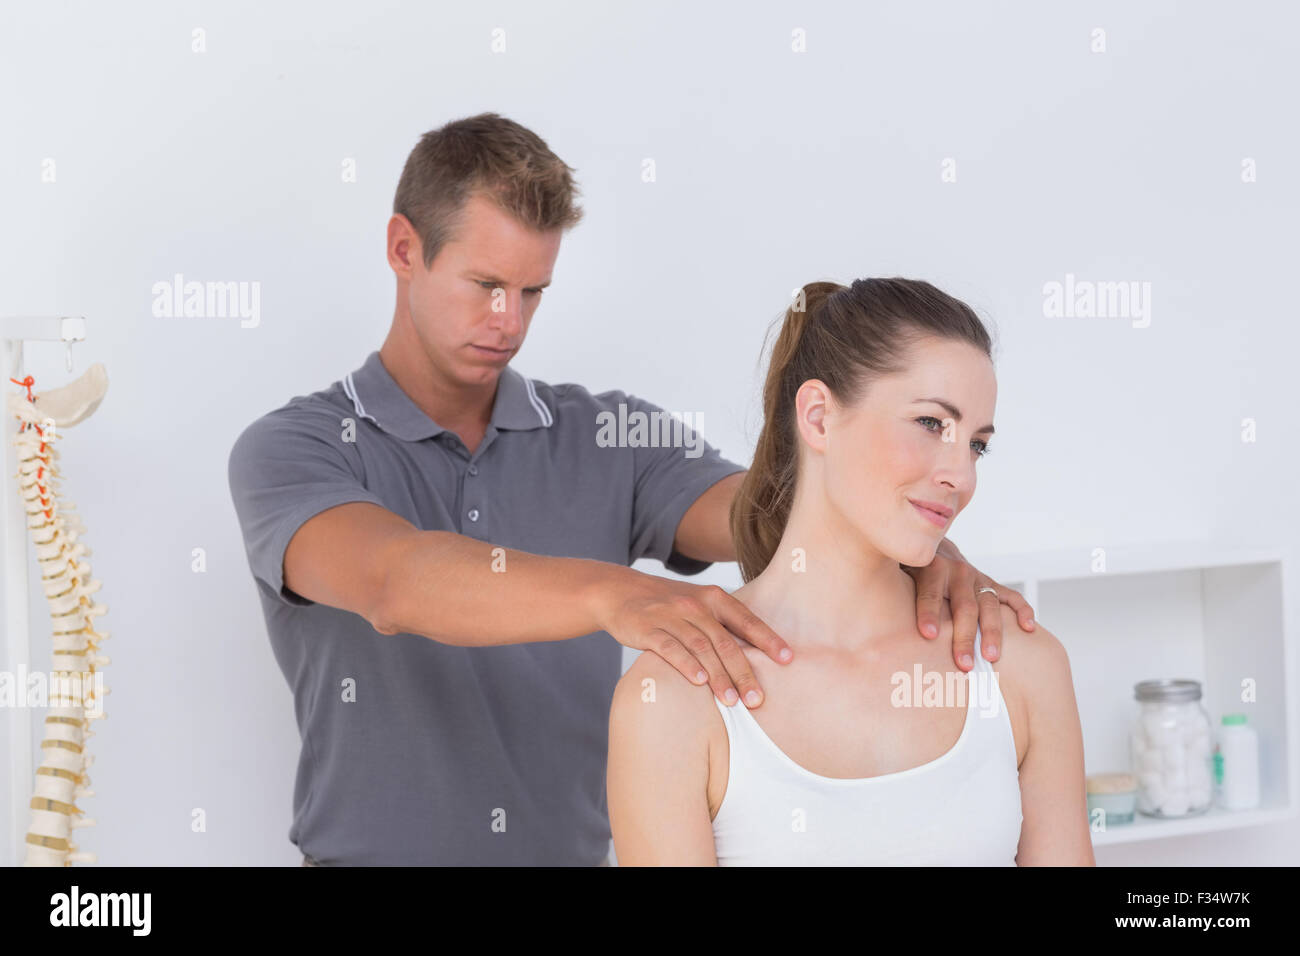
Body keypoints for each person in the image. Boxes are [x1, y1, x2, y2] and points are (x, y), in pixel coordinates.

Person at [226, 113, 1036, 866]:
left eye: (534, 291)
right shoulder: (290, 450)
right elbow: (393, 582)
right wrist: (619, 595)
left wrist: (918, 529)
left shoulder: (606, 435)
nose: (509, 319)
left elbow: (777, 515)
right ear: (405, 248)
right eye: (486, 284)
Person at [607, 278, 1094, 865]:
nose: (961, 477)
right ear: (818, 417)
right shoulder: (675, 697)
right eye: (931, 424)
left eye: (976, 445)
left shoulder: (1019, 662)